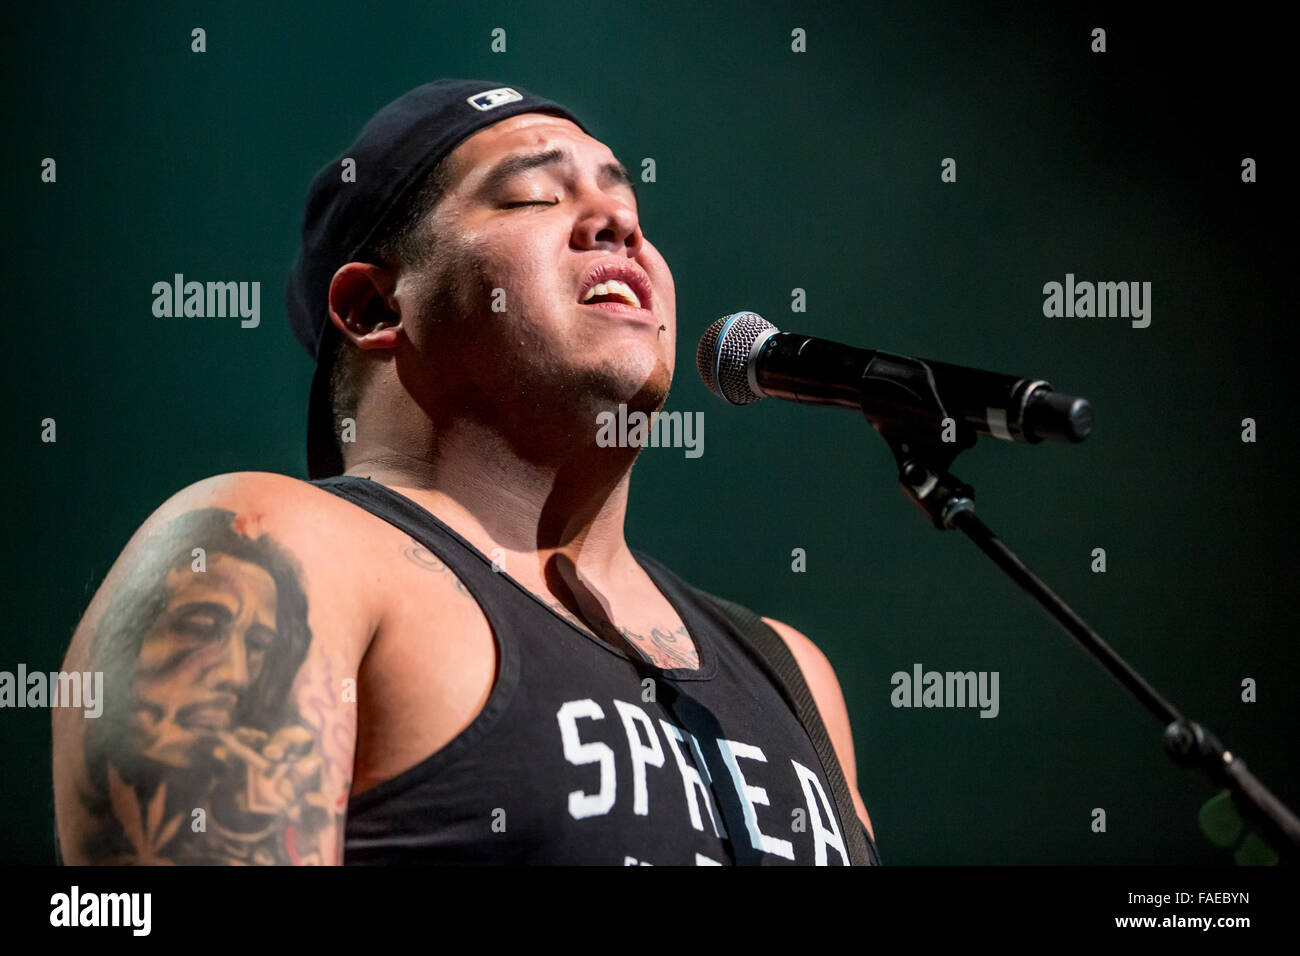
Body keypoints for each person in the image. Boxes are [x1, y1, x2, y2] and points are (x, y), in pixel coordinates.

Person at [53, 79, 880, 866]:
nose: (617, 224)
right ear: (375, 307)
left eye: (627, 202)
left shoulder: (791, 669)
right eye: (533, 196)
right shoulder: (271, 552)